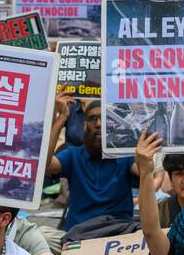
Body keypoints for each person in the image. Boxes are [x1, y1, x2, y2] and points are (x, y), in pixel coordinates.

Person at [46, 97, 138, 236]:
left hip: (117, 235)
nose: (99, 124)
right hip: (78, 236)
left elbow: (145, 170)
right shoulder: (73, 155)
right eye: (93, 119)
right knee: (43, 234)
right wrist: (62, 118)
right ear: (84, 125)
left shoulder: (124, 155)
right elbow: (46, 164)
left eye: (105, 119)